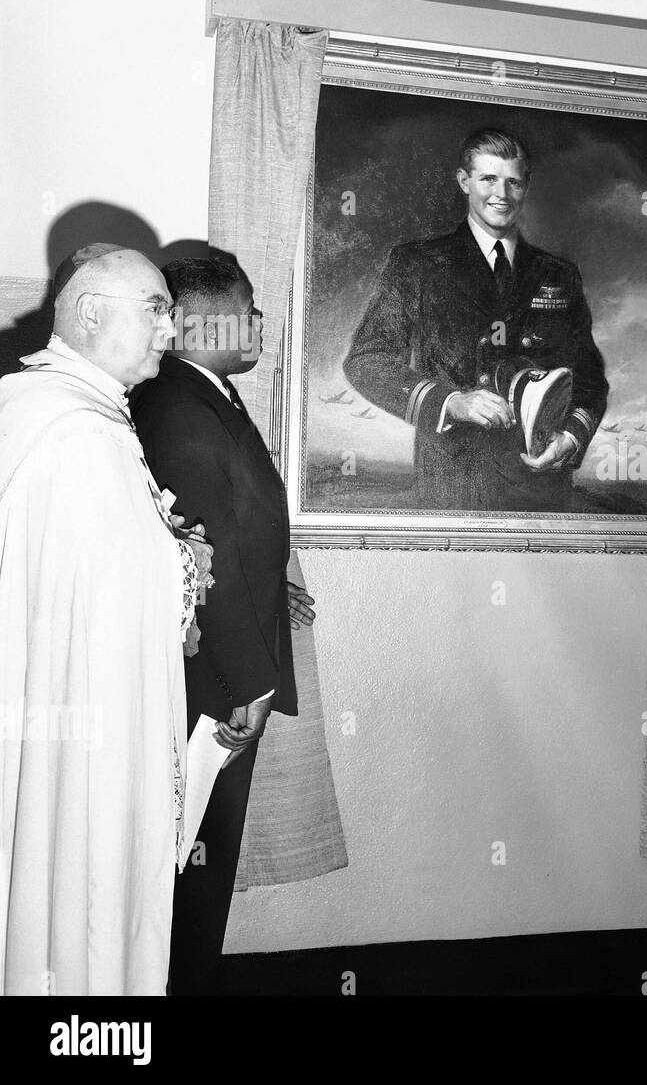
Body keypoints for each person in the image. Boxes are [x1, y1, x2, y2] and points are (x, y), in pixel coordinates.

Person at [0, 243, 212, 995]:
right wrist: (188, 562)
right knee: (87, 897)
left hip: (37, 702)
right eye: (155, 309)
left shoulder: (26, 401)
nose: (170, 328)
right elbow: (125, 590)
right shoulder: (85, 431)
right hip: (88, 723)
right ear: (91, 312)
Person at [131, 257, 315, 994]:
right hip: (214, 680)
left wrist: (272, 592)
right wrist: (250, 679)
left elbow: (232, 533)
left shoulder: (212, 396)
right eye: (249, 307)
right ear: (202, 319)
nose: (259, 322)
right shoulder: (180, 406)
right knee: (191, 871)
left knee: (203, 865)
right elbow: (206, 547)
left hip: (225, 662)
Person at [343, 126, 608, 513]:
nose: (501, 194)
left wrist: (570, 437)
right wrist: (450, 402)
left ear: (526, 186)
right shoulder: (417, 265)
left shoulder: (558, 275)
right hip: (456, 486)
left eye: (513, 181)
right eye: (488, 179)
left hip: (542, 489)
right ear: (464, 181)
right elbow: (365, 362)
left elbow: (590, 380)